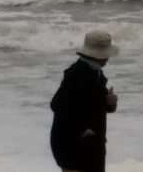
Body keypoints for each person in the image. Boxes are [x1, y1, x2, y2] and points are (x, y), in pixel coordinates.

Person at [50, 30, 120, 172]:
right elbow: (57, 105)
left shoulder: (94, 71)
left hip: (88, 147)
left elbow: (90, 105)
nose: (108, 58)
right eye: (106, 54)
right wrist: (83, 130)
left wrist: (110, 103)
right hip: (75, 150)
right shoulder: (77, 74)